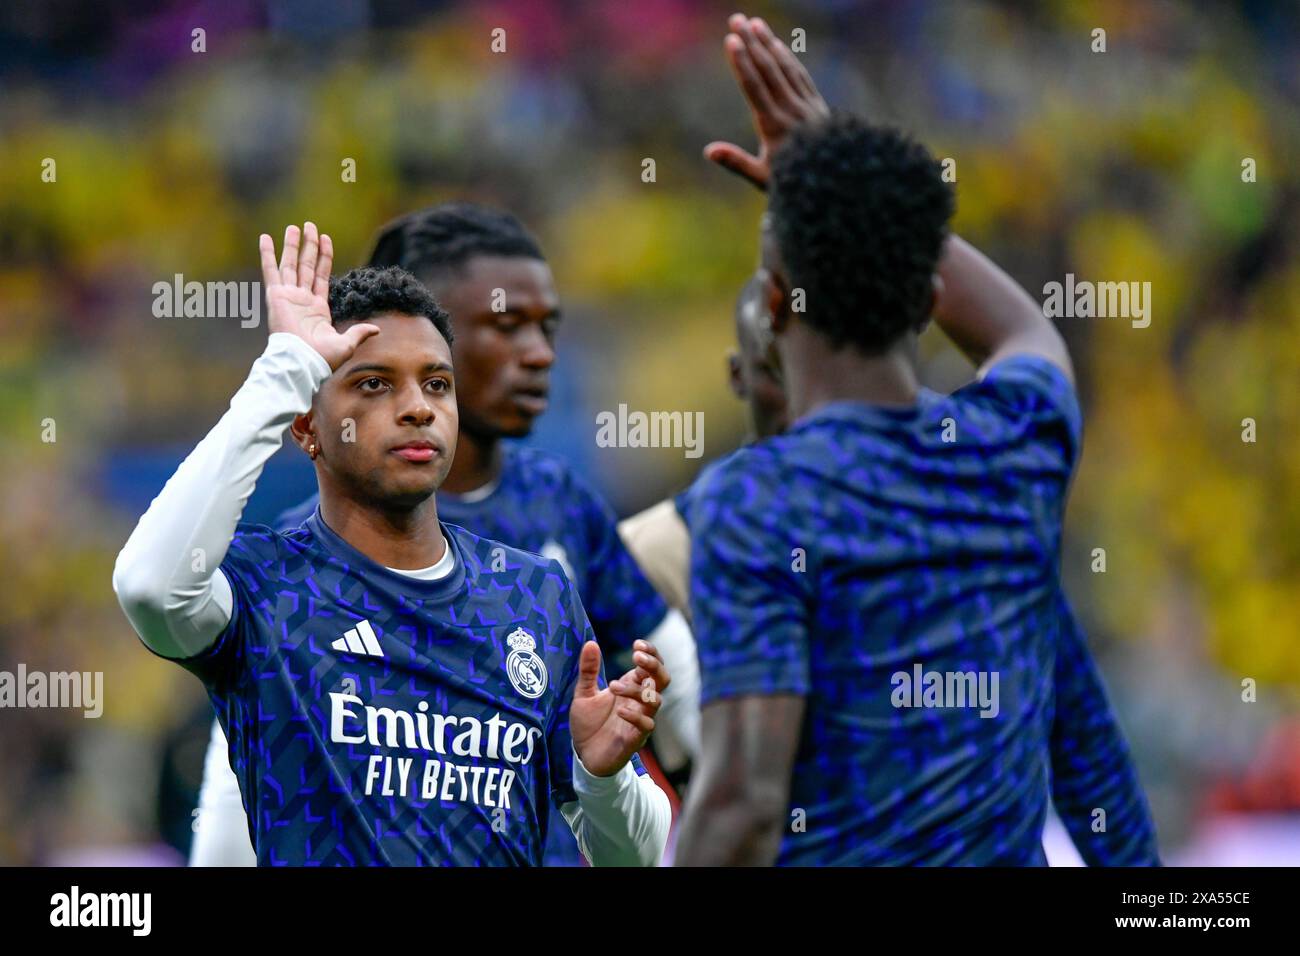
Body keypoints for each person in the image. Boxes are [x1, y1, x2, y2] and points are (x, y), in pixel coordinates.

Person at [673, 15, 1159, 865]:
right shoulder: (1017, 449)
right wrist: (857, 191)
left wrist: (841, 194)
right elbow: (1022, 329)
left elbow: (747, 804)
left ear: (780, 301)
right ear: (929, 293)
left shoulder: (757, 501)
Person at [114, 223, 671, 865]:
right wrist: (282, 371)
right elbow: (150, 585)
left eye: (437, 384)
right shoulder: (267, 587)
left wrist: (601, 780)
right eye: (375, 384)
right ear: (306, 426)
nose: (418, 408)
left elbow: (633, 858)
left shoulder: (535, 596)